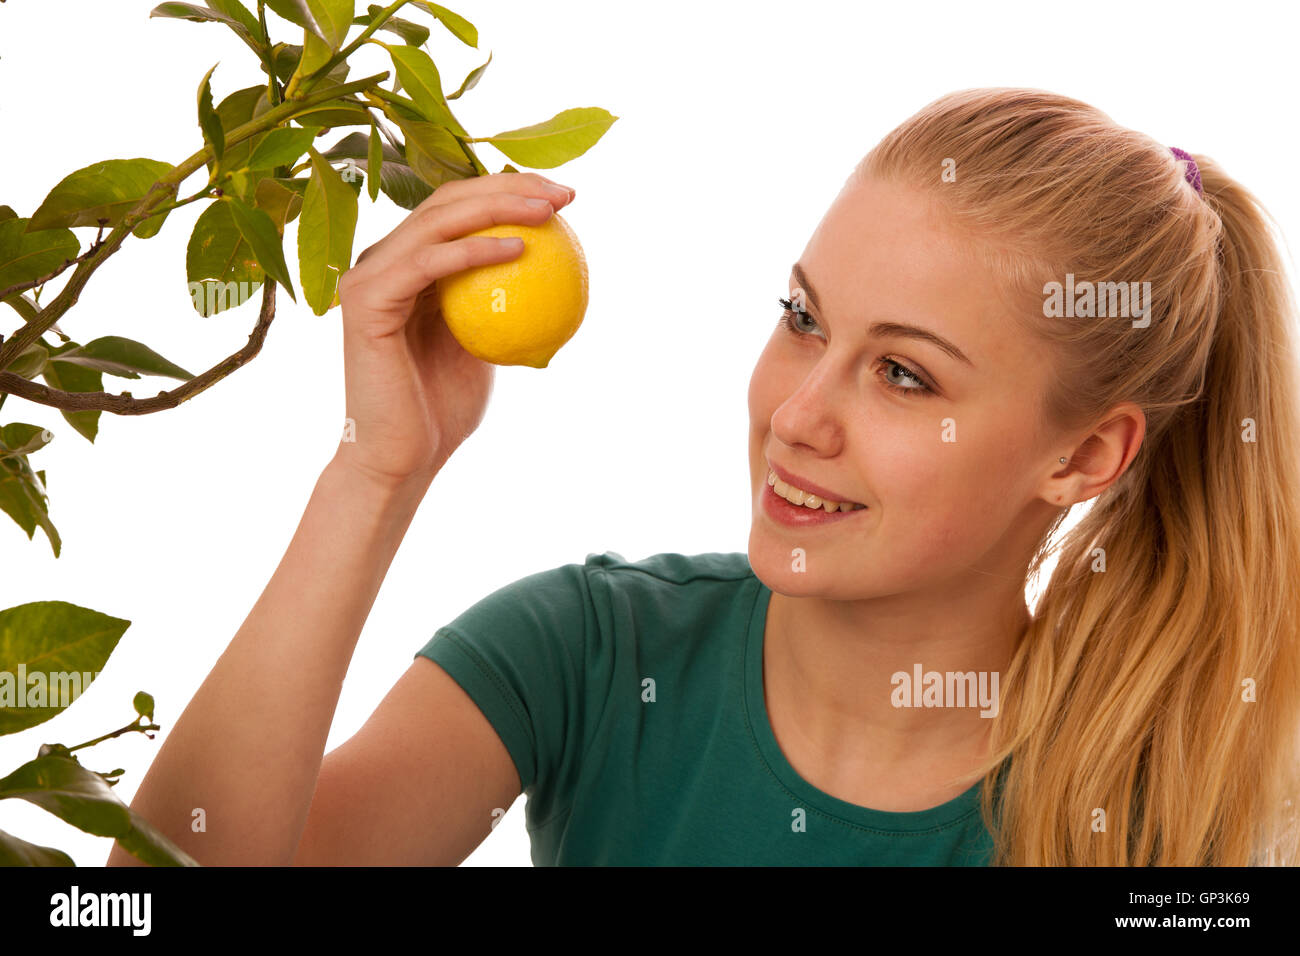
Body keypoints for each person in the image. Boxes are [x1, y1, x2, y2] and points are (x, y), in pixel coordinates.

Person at [108, 87, 1300, 867]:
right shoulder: (590, 651)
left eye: (902, 376)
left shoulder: (1176, 807)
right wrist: (375, 470)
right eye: (801, 317)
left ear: (1083, 456)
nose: (796, 411)